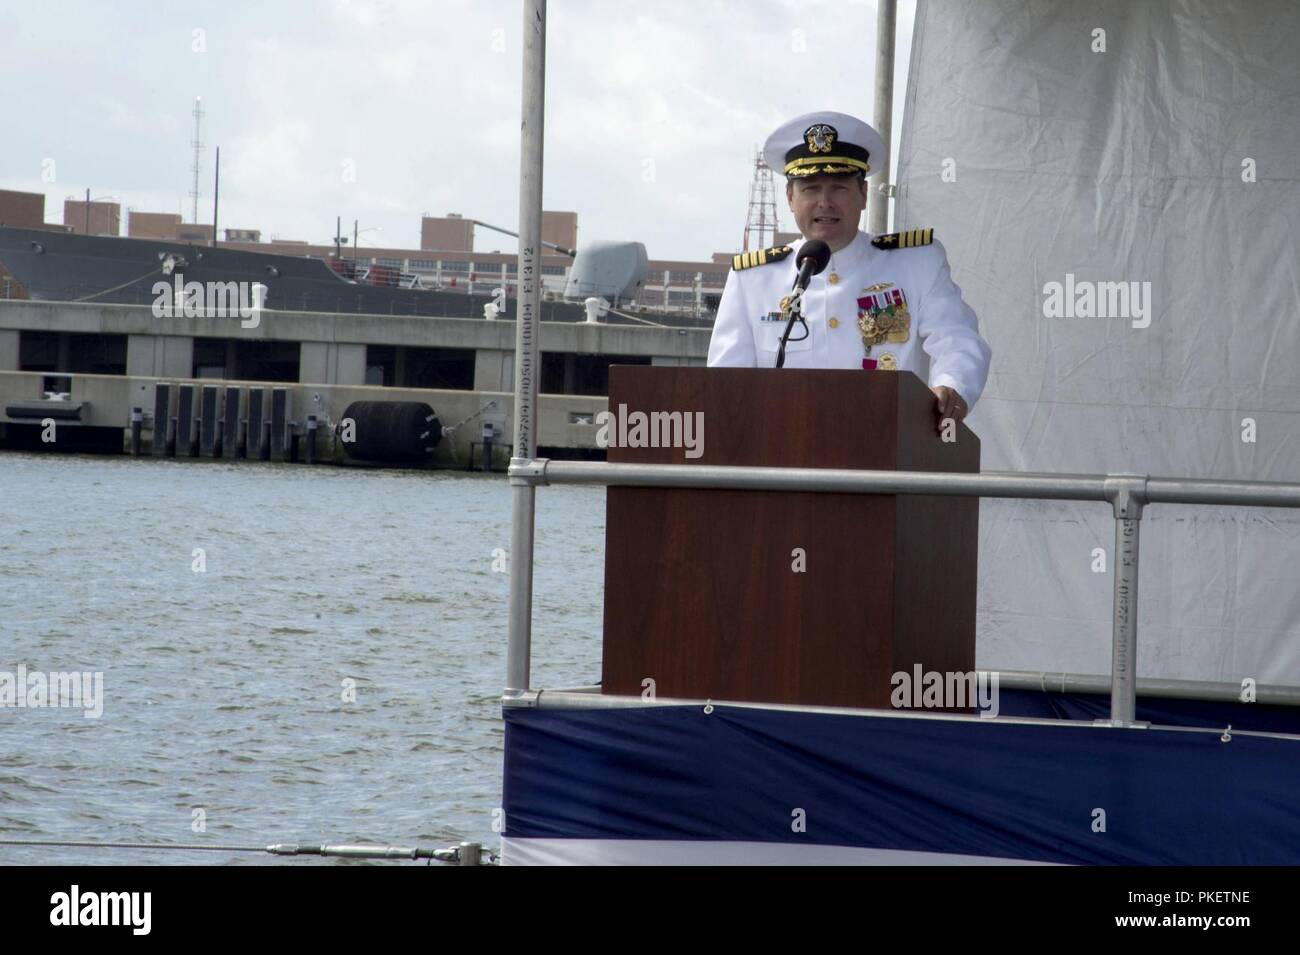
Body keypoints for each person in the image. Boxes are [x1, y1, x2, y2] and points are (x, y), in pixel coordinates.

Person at [707, 110, 991, 429]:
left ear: (863, 195)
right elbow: (726, 387)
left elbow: (957, 339)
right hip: (782, 455)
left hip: (887, 449)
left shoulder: (916, 263)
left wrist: (952, 386)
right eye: (810, 189)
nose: (825, 202)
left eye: (839, 188)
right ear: (789, 198)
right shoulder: (752, 279)